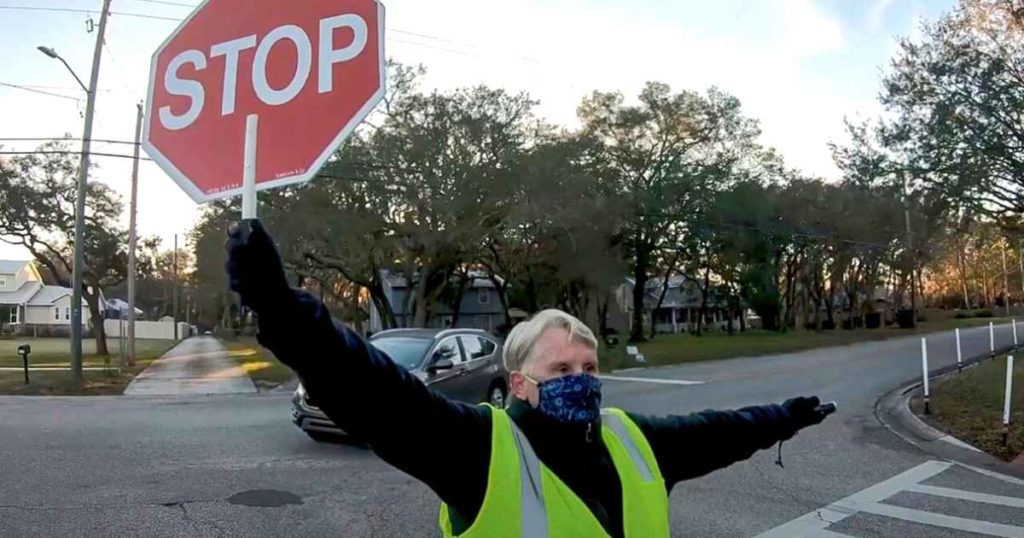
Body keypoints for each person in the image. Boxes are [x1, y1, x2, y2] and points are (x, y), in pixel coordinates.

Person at [226, 220, 830, 538]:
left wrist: (786, 415)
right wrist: (286, 314)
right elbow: (378, 396)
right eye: (561, 369)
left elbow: (717, 431)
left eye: (589, 369)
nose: (582, 381)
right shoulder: (482, 450)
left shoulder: (630, 439)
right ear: (518, 383)